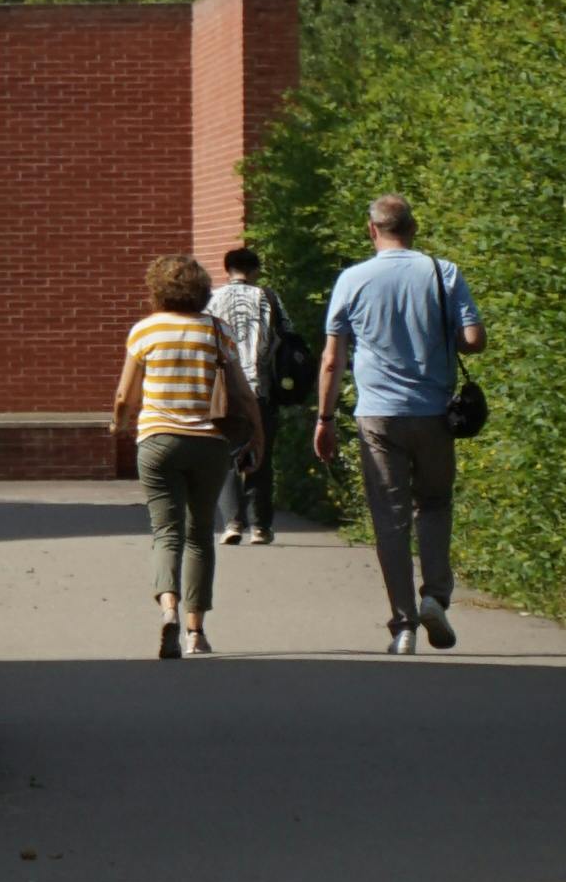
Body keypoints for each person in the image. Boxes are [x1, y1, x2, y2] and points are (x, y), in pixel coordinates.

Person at [312, 190, 486, 659]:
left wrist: (324, 419)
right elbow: (474, 340)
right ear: (413, 228)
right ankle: (435, 596)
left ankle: (404, 626)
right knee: (434, 504)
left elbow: (332, 359)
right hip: (432, 412)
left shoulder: (352, 280)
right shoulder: (442, 271)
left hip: (377, 417)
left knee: (389, 520)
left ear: (372, 230)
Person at [110, 249, 255, 661]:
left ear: (157, 289)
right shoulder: (217, 331)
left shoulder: (145, 331)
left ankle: (168, 608)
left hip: (157, 441)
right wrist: (257, 435)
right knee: (199, 534)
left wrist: (119, 424)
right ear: (202, 291)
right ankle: (196, 632)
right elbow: (242, 392)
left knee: (165, 533)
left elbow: (125, 395)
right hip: (209, 443)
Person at [207, 239, 288, 542]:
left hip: (224, 390)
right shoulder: (268, 297)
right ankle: (261, 527)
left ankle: (232, 523)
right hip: (261, 388)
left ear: (228, 269)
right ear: (255, 270)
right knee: (260, 453)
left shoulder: (211, 299)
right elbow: (287, 335)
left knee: (226, 455)